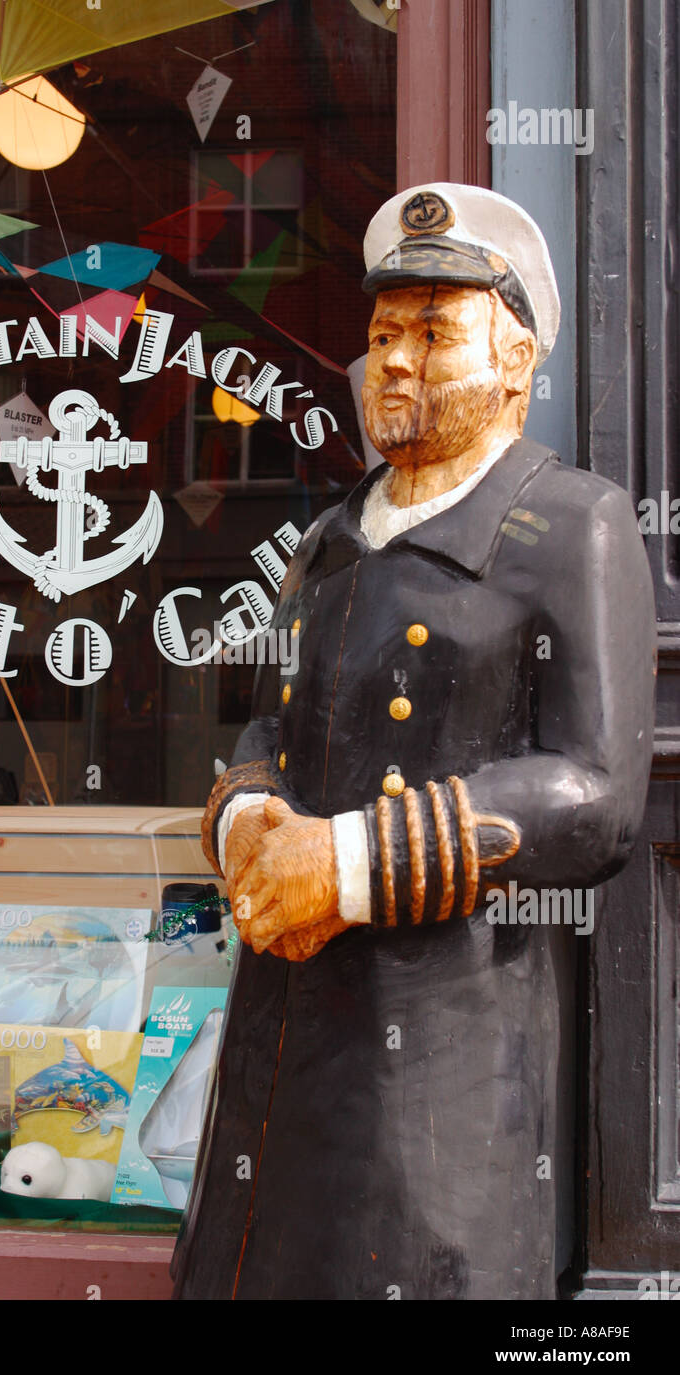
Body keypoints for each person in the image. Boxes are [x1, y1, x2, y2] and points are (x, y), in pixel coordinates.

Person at [171, 183, 656, 1300]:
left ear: (516, 360)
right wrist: (248, 819)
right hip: (277, 1032)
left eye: (434, 332)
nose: (394, 358)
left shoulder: (572, 523)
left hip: (444, 1050)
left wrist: (341, 867)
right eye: (384, 332)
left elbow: (593, 794)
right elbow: (264, 723)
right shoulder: (326, 542)